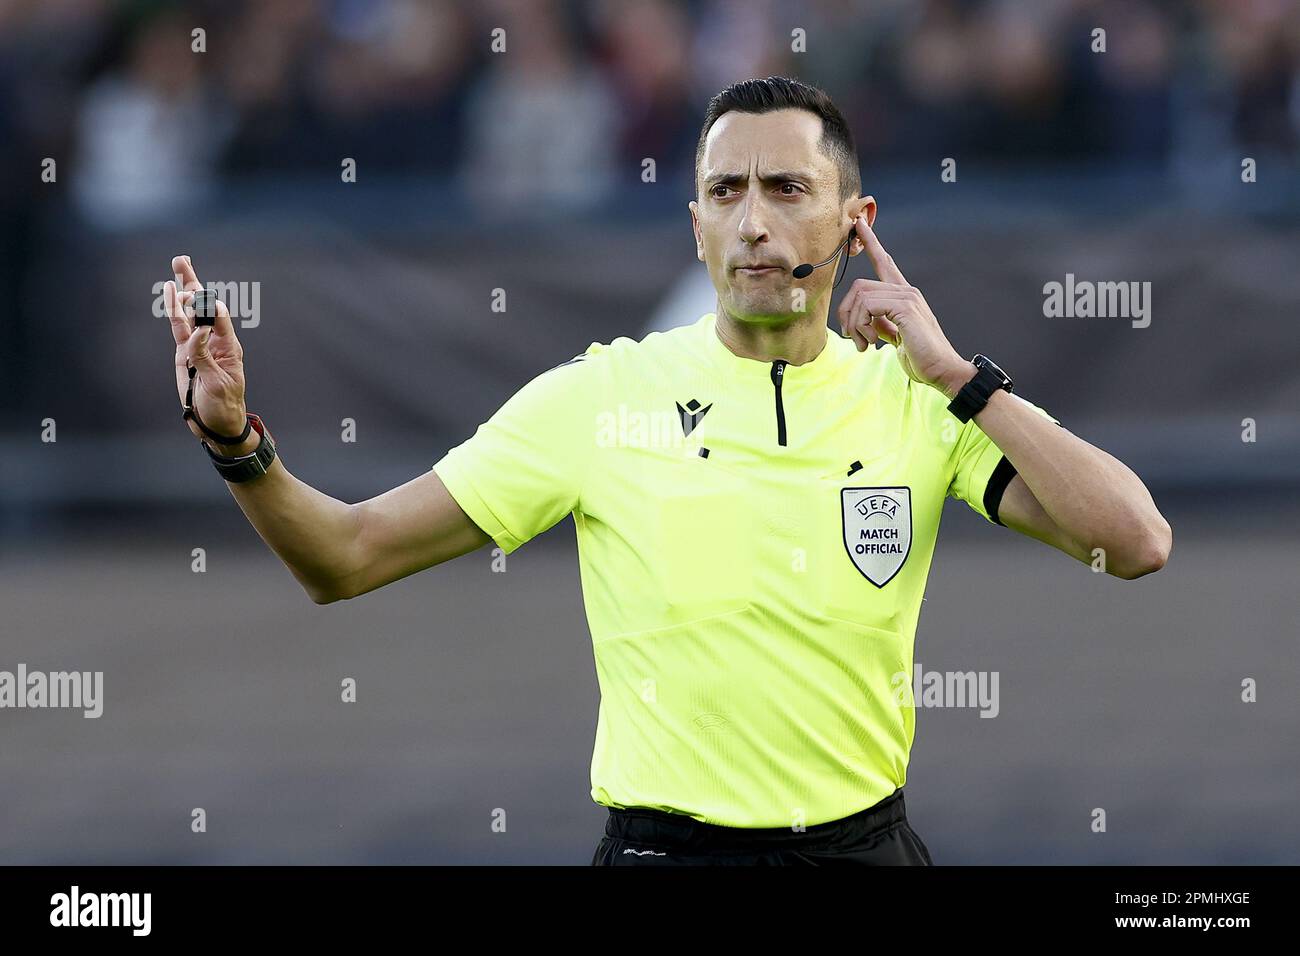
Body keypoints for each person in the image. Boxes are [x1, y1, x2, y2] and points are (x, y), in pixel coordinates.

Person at [161, 76, 1171, 866]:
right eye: (725, 192)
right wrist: (236, 444)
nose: (753, 222)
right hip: (664, 849)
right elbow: (346, 555)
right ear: (694, 225)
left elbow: (1134, 542)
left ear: (854, 223)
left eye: (786, 190)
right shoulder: (600, 398)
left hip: (863, 845)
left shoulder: (919, 399)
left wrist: (959, 375)